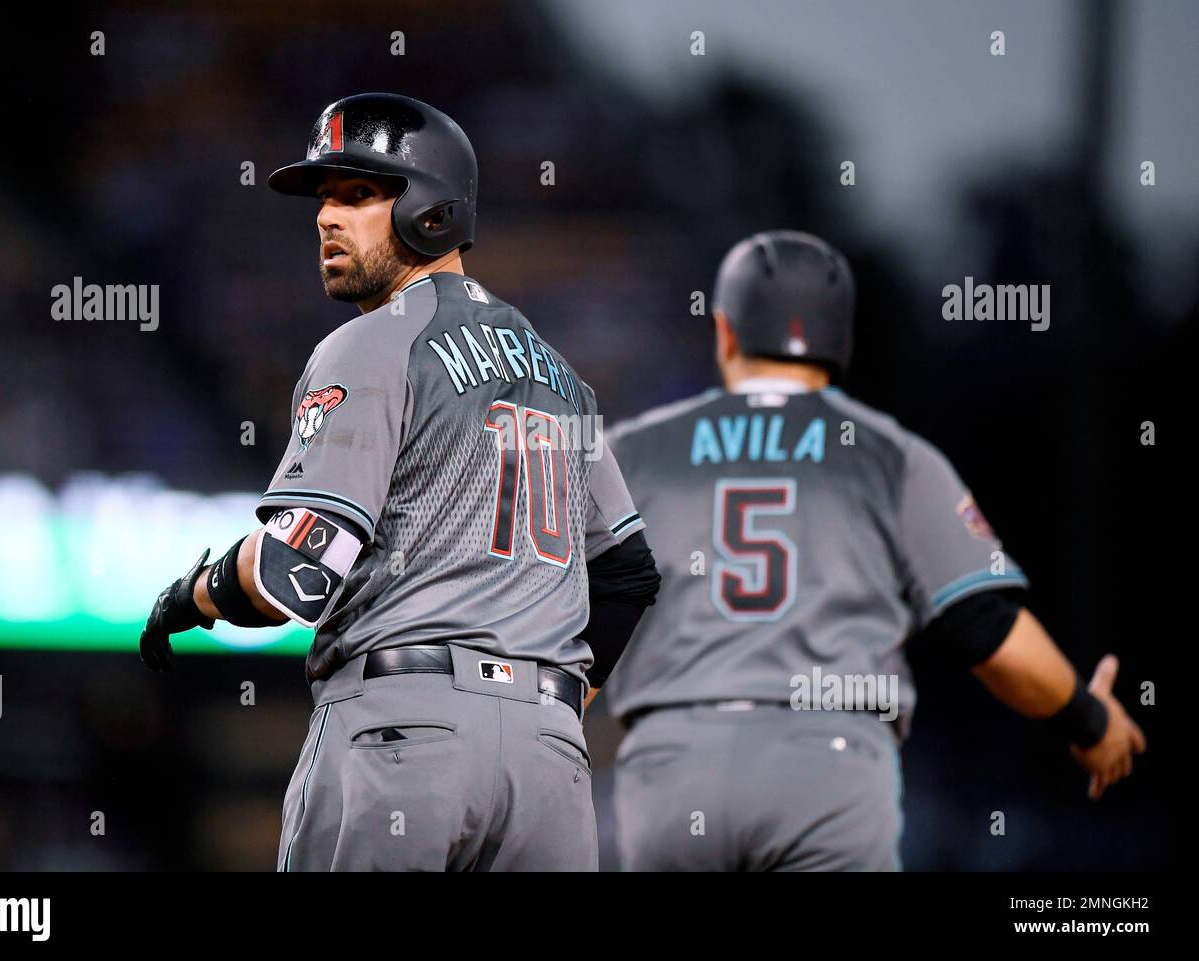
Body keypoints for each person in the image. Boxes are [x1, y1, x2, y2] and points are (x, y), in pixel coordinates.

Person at [137, 93, 659, 871]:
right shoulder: (561, 377)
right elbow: (627, 570)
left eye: (358, 193)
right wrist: (540, 709)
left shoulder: (373, 343)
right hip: (549, 762)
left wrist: (198, 591)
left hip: (401, 733)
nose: (327, 217)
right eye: (324, 198)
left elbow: (295, 572)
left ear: (432, 209)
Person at [604, 230, 1145, 871]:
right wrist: (1089, 718)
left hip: (672, 767)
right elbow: (987, 630)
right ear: (842, 344)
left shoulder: (630, 451)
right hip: (828, 768)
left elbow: (558, 613)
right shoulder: (891, 455)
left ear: (724, 332)